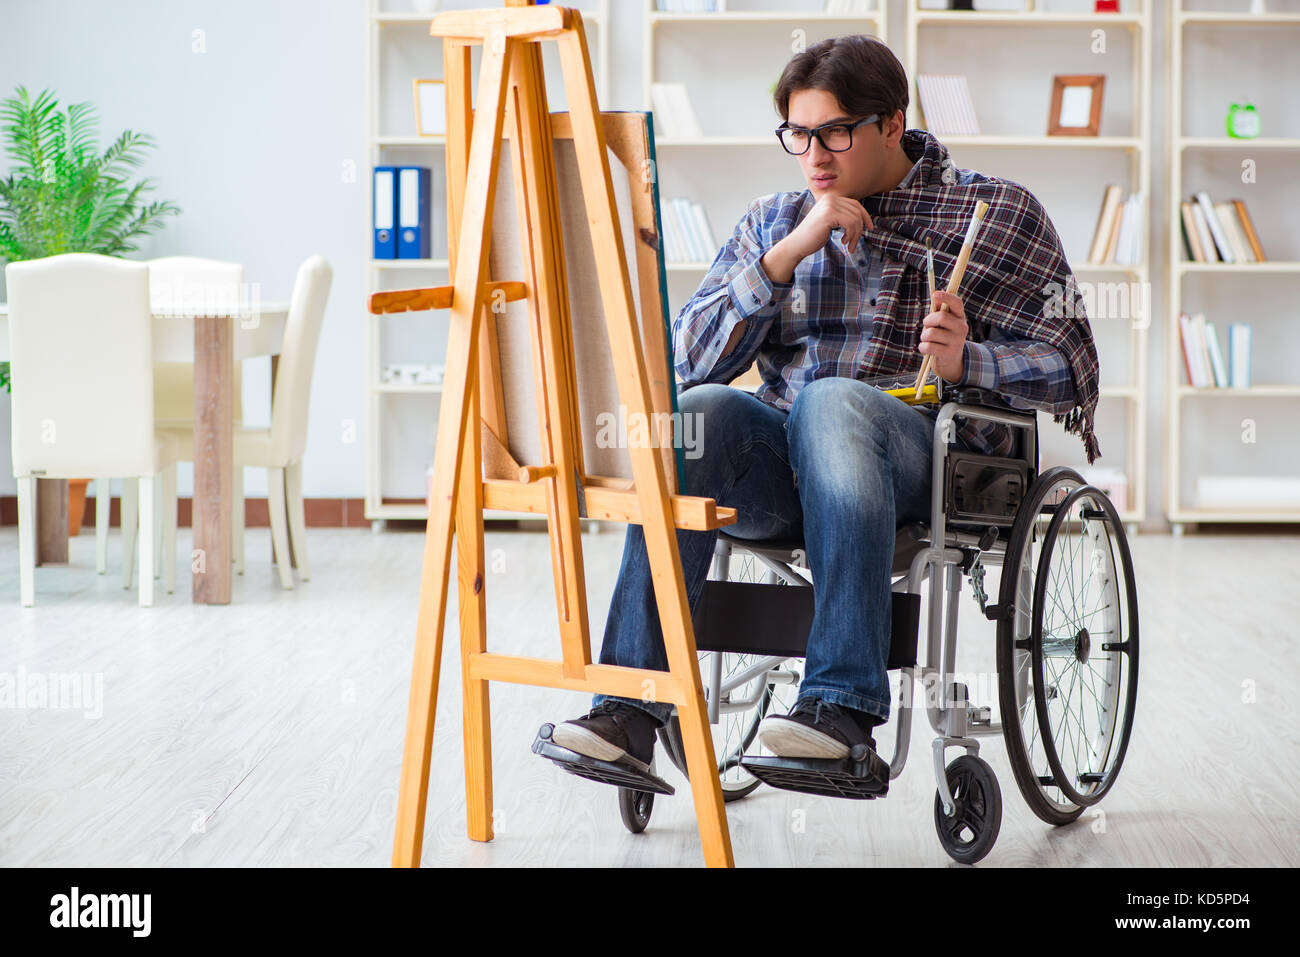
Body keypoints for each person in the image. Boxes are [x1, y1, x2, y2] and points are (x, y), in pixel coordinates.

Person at [547, 35, 1099, 785]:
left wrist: (970, 360)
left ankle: (839, 712)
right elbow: (683, 362)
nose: (814, 154)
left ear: (892, 124)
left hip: (917, 465)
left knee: (833, 404)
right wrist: (783, 258)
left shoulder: (994, 212)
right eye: (798, 135)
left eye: (834, 132)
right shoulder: (777, 219)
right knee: (697, 413)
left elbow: (1072, 365)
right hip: (788, 469)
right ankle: (631, 709)